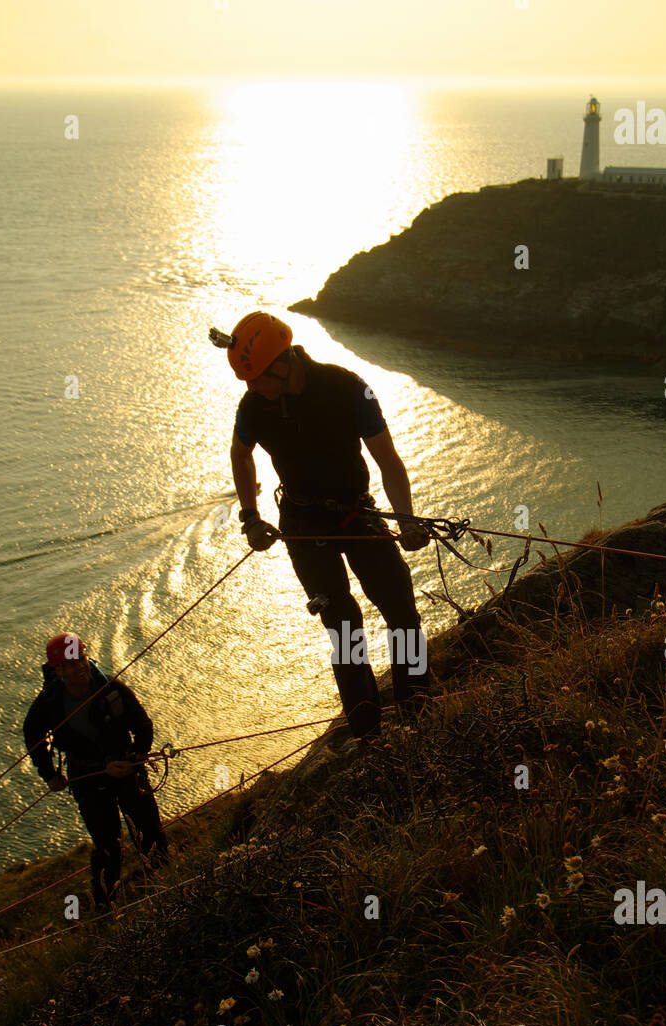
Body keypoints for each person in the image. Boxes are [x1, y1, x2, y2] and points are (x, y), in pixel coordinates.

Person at [220, 311, 431, 741]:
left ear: (285, 362)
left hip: (357, 513)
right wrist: (250, 518)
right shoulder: (254, 406)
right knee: (343, 625)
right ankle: (367, 732)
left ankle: (419, 712)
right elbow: (240, 455)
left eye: (256, 377)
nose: (250, 388)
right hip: (302, 524)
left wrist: (406, 518)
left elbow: (387, 459)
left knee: (400, 611)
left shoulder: (348, 388)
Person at [23, 634, 168, 911]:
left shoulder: (111, 688)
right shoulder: (49, 703)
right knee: (107, 845)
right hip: (87, 778)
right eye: (71, 662)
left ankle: (164, 883)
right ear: (58, 670)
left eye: (81, 658)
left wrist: (138, 755)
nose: (80, 666)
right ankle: (106, 906)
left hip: (127, 770)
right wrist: (49, 774)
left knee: (150, 830)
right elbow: (33, 736)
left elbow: (142, 724)